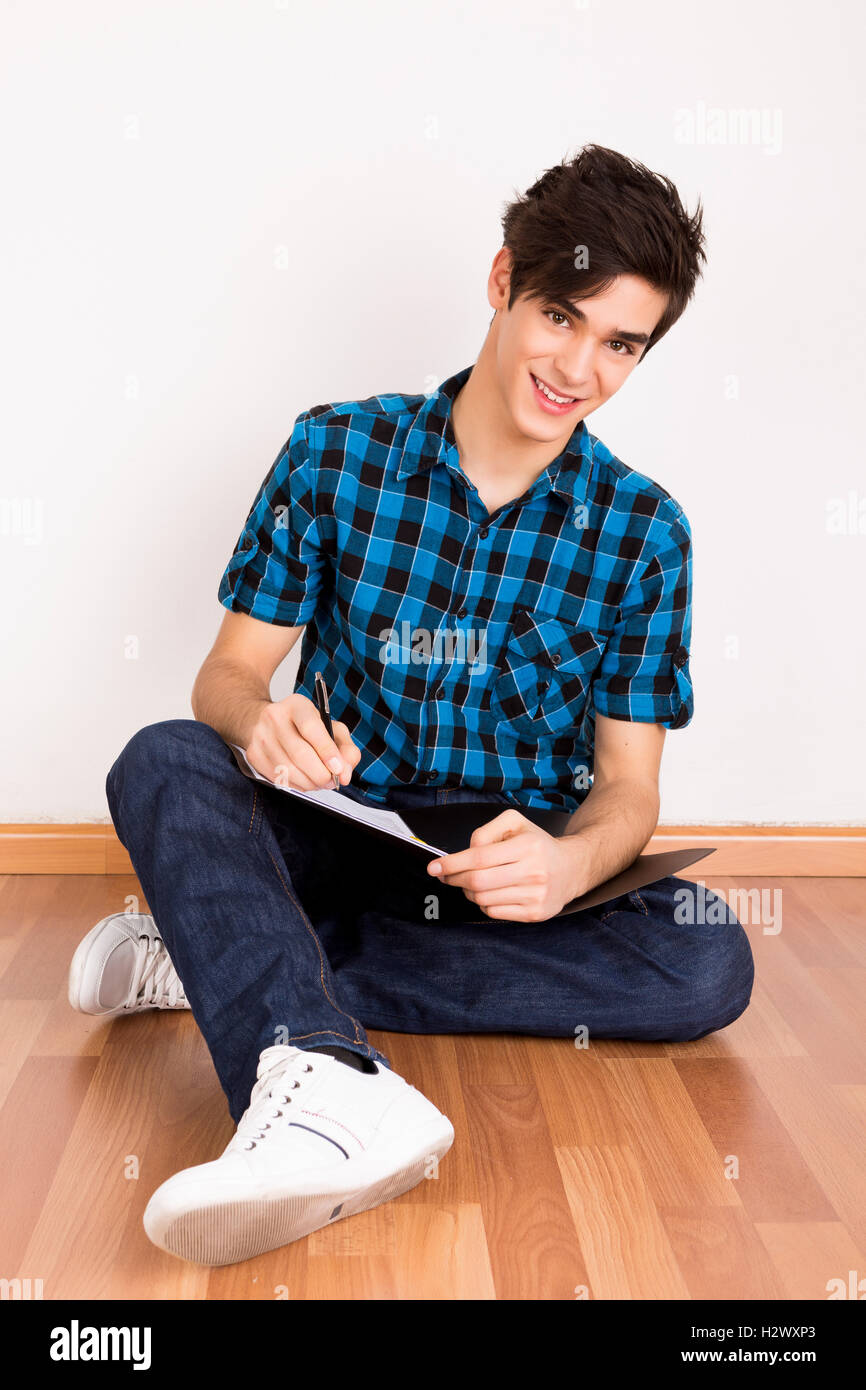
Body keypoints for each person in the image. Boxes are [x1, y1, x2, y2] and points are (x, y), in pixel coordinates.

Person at [68, 144, 755, 1267]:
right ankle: (327, 1081)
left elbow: (630, 791)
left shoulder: (645, 533)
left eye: (619, 344)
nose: (577, 367)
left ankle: (226, 954)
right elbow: (226, 675)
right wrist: (255, 722)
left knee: (705, 959)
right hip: (346, 829)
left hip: (506, 875)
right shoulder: (334, 452)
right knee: (163, 757)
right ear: (501, 284)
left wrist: (568, 867)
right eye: (559, 316)